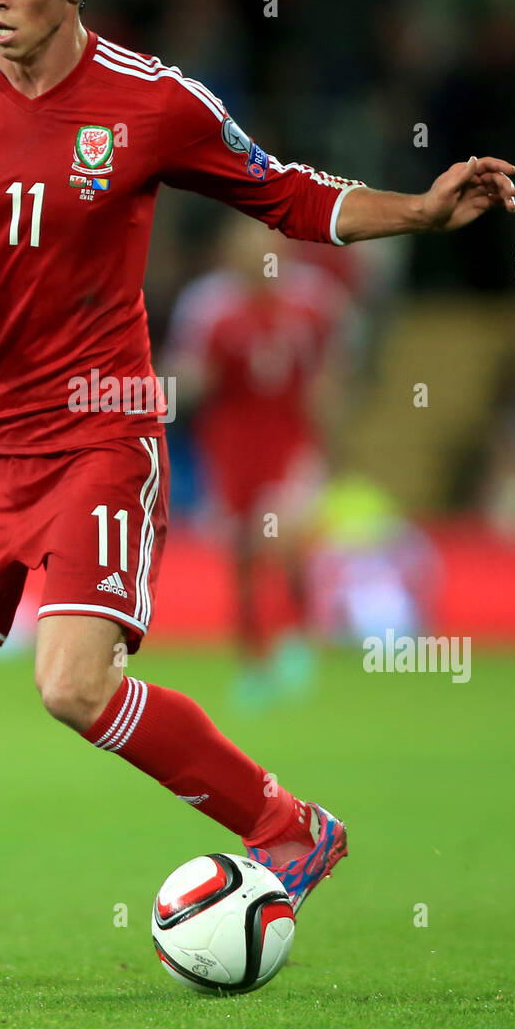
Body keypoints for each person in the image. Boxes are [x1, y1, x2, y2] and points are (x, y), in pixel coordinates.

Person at [0, 0, 515, 986]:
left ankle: (286, 826)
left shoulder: (152, 102)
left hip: (101, 427)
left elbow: (279, 193)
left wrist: (414, 210)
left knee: (71, 684)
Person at [165, 218, 356, 709]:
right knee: (243, 556)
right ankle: (254, 659)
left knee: (276, 538)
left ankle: (297, 638)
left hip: (291, 443)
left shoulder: (314, 300)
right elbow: (184, 378)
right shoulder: (208, 306)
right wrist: (189, 380)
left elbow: (334, 371)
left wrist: (329, 429)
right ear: (232, 253)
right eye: (247, 246)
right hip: (229, 450)